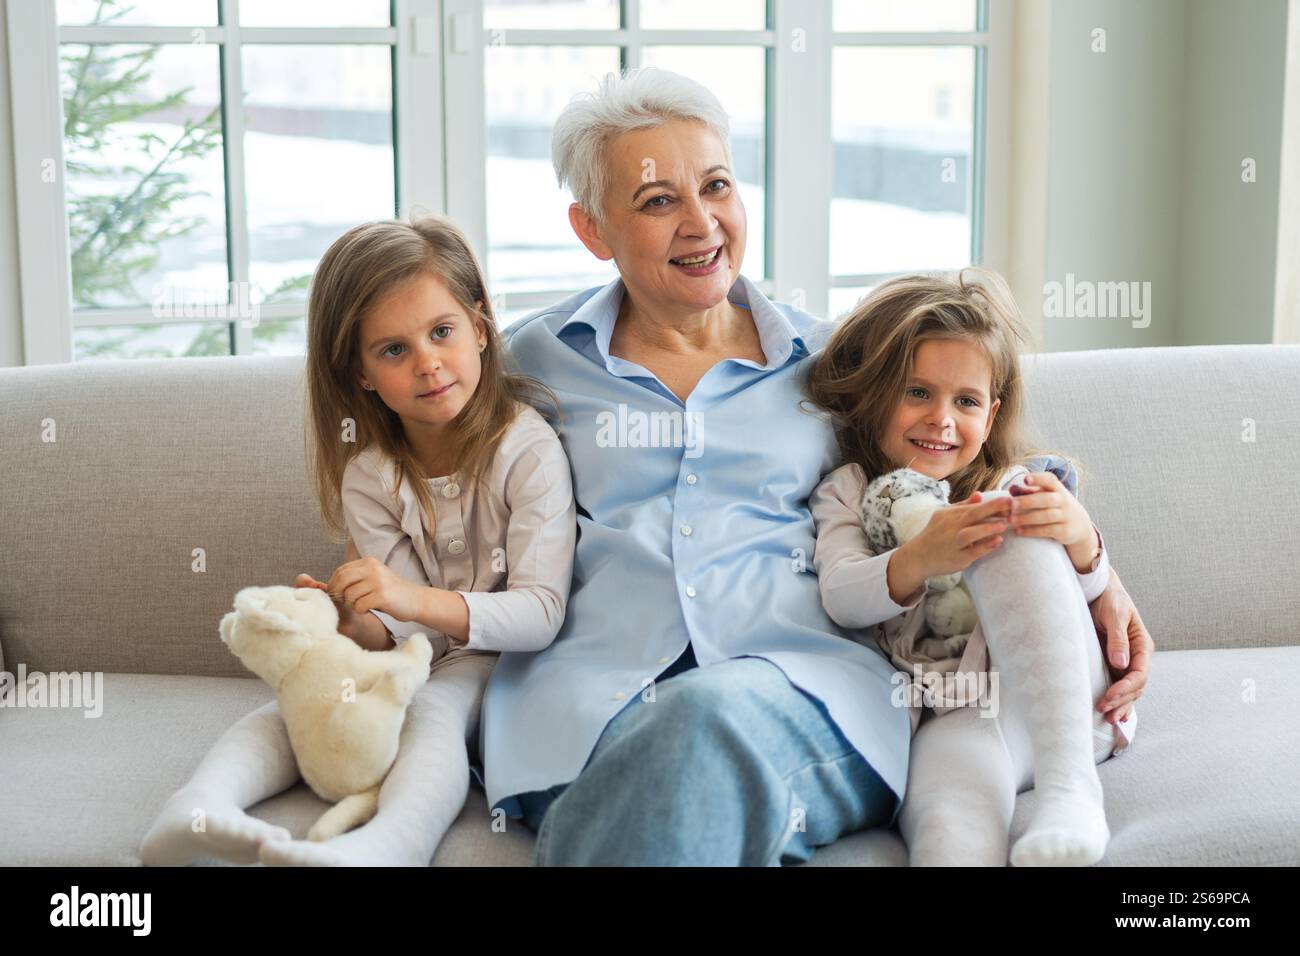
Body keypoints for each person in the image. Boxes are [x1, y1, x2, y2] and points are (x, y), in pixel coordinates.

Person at [475, 67, 1152, 865]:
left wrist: (1101, 578)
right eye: (659, 202)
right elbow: (437, 496)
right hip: (587, 702)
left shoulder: (833, 360)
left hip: (801, 692)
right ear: (593, 230)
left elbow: (970, 468)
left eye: (717, 186)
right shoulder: (530, 363)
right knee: (668, 763)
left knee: (700, 729)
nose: (703, 224)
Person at [140, 216, 575, 866]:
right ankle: (197, 807)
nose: (428, 362)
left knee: (434, 717)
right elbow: (400, 634)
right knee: (300, 694)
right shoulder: (372, 474)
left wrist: (409, 601)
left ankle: (384, 848)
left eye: (442, 332)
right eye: (394, 350)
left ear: (480, 328)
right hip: (420, 655)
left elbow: (541, 615)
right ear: (361, 373)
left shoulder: (526, 449)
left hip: (503, 665)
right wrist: (355, 622)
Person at [805, 269, 1134, 866]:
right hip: (952, 713)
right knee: (946, 812)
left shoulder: (1019, 483)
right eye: (917, 393)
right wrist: (917, 559)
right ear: (876, 394)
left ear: (992, 413)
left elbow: (1081, 596)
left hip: (1052, 703)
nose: (942, 419)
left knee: (1007, 523)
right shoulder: (849, 492)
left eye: (966, 401)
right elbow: (841, 594)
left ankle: (1072, 790)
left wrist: (1084, 542)